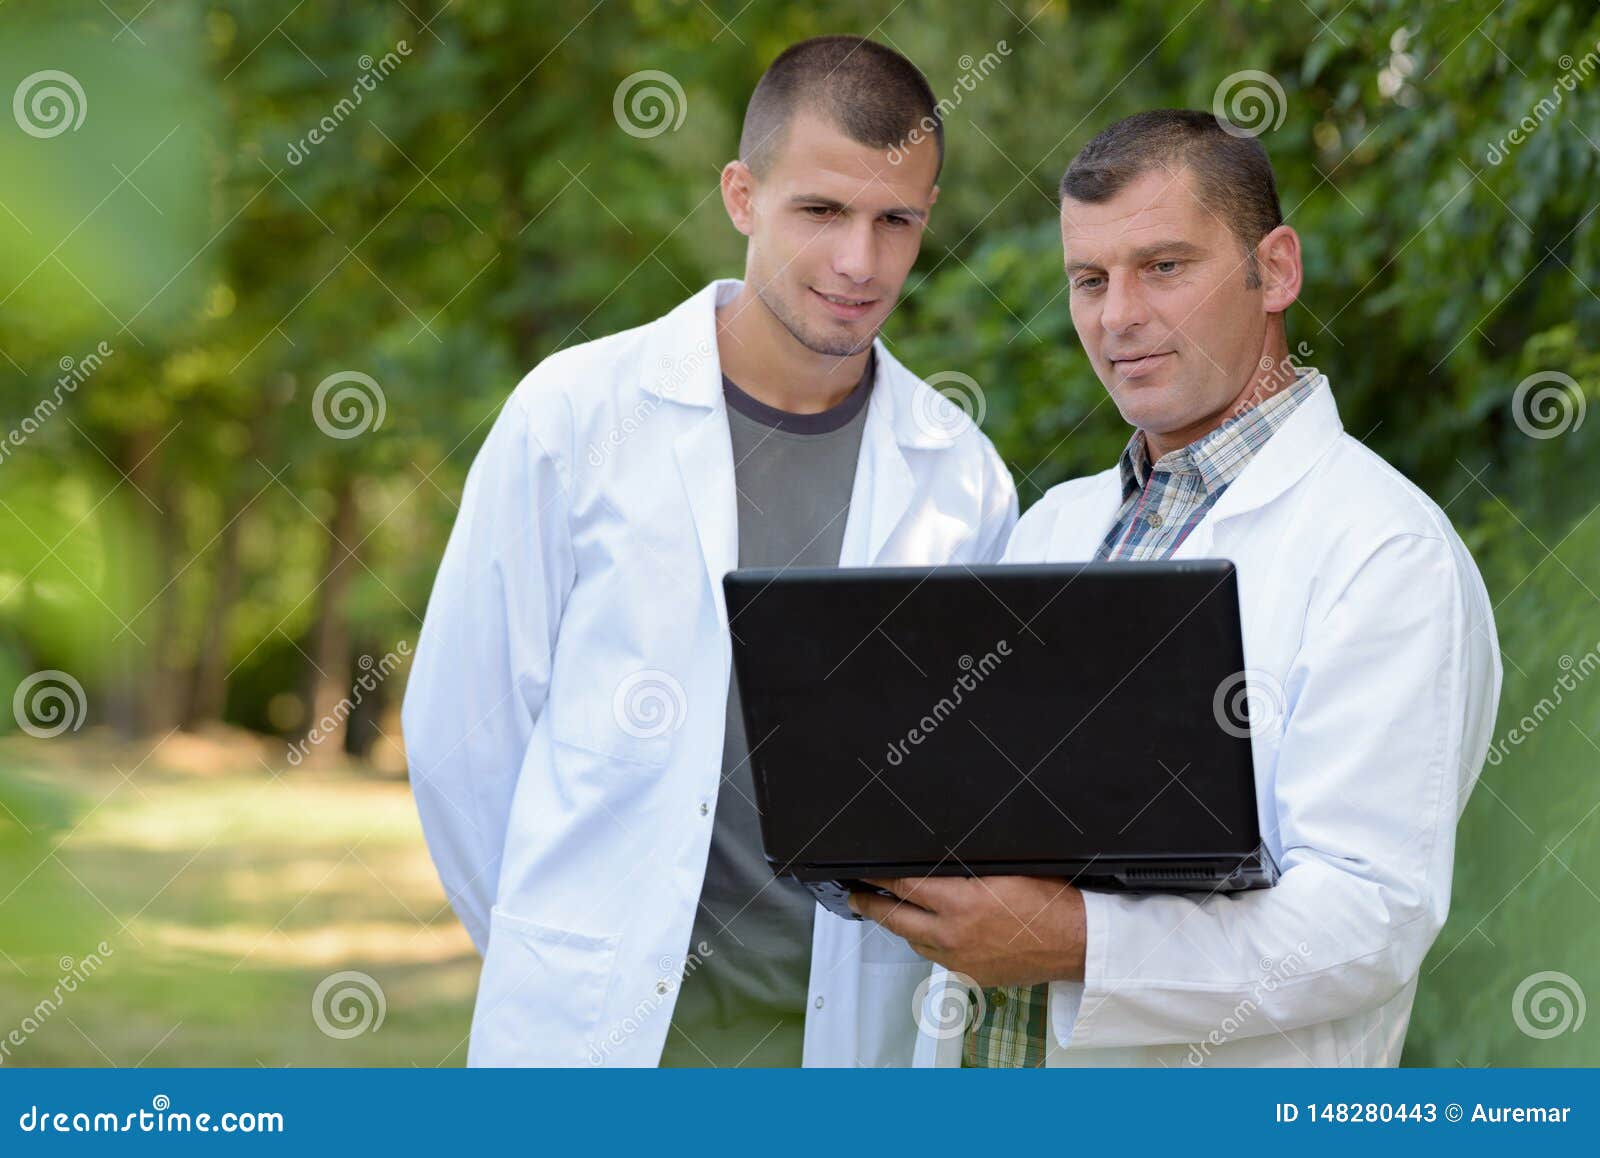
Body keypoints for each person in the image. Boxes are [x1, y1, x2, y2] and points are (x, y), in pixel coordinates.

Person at [402, 35, 1017, 1068]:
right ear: (741, 195)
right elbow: (463, 739)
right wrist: (554, 960)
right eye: (820, 211)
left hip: (842, 1055)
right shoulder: (574, 414)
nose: (858, 263)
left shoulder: (962, 479)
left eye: (894, 221)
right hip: (593, 1049)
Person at [850, 109, 1502, 1068]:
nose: (1118, 317)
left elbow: (1371, 914)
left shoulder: (1384, 552)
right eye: (1089, 280)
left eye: (1164, 267)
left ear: (1275, 270)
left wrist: (1074, 943)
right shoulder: (1055, 528)